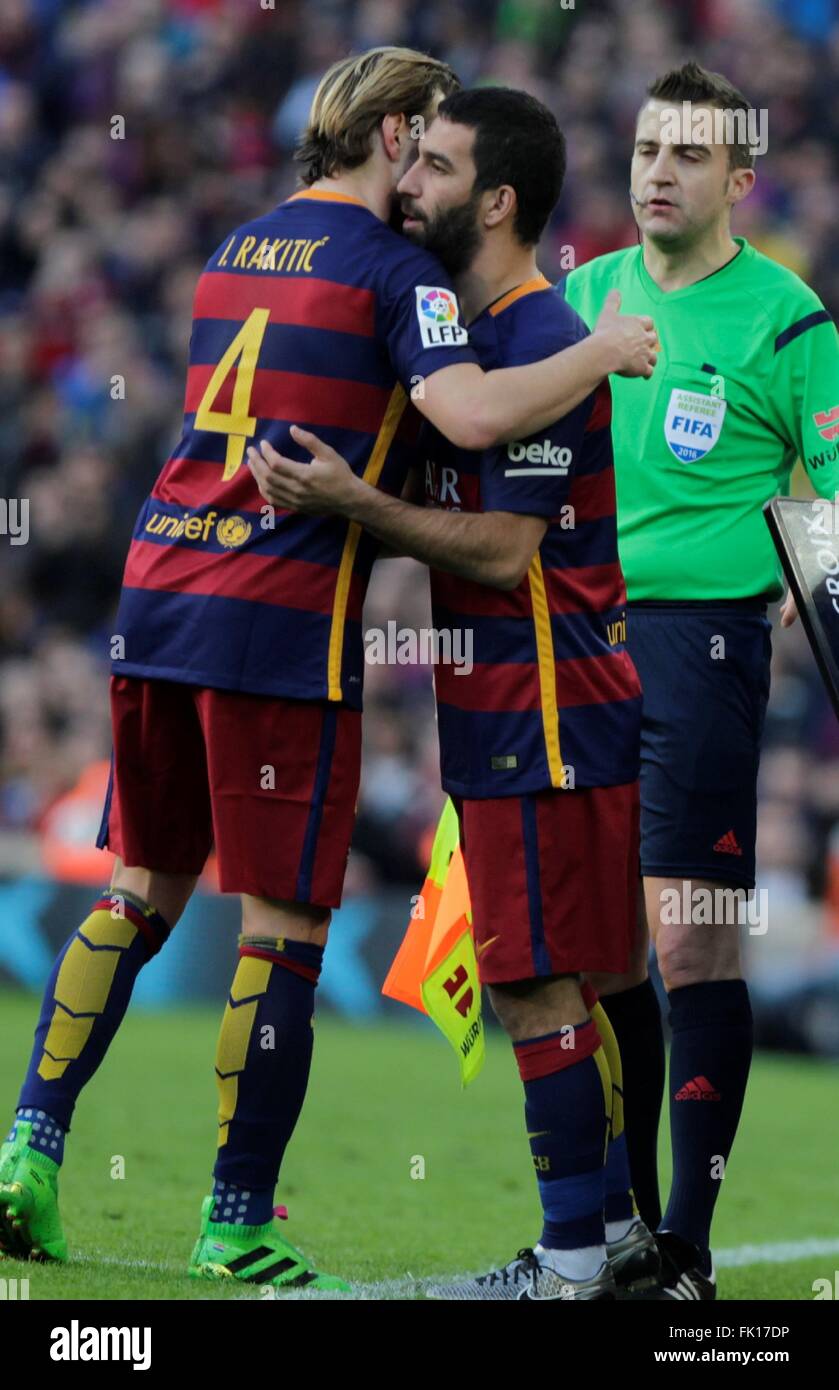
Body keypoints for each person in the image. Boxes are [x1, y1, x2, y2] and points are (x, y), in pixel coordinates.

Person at [0, 48, 656, 1291]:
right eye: (430, 141)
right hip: (274, 625)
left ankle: (26, 1150)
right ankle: (236, 1214)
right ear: (398, 131)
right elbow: (465, 419)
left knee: (138, 882)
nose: (427, 173)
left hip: (156, 594)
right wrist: (601, 348)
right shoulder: (401, 275)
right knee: (289, 921)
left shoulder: (232, 250)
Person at [249, 87, 659, 1302]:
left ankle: (570, 1261)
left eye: (430, 166)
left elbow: (497, 553)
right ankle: (617, 1233)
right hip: (503, 706)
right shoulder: (464, 346)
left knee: (535, 980)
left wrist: (354, 508)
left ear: (494, 202)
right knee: (561, 978)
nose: (405, 183)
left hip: (547, 702)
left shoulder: (537, 340)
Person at [560, 61, 839, 1299]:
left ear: (737, 178)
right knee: (597, 946)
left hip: (702, 645)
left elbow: (836, 488)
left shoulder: (786, 320)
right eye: (644, 151)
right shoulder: (577, 299)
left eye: (685, 155)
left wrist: (804, 553)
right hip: (572, 641)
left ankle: (685, 1247)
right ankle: (622, 1232)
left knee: (695, 938)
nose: (656, 173)